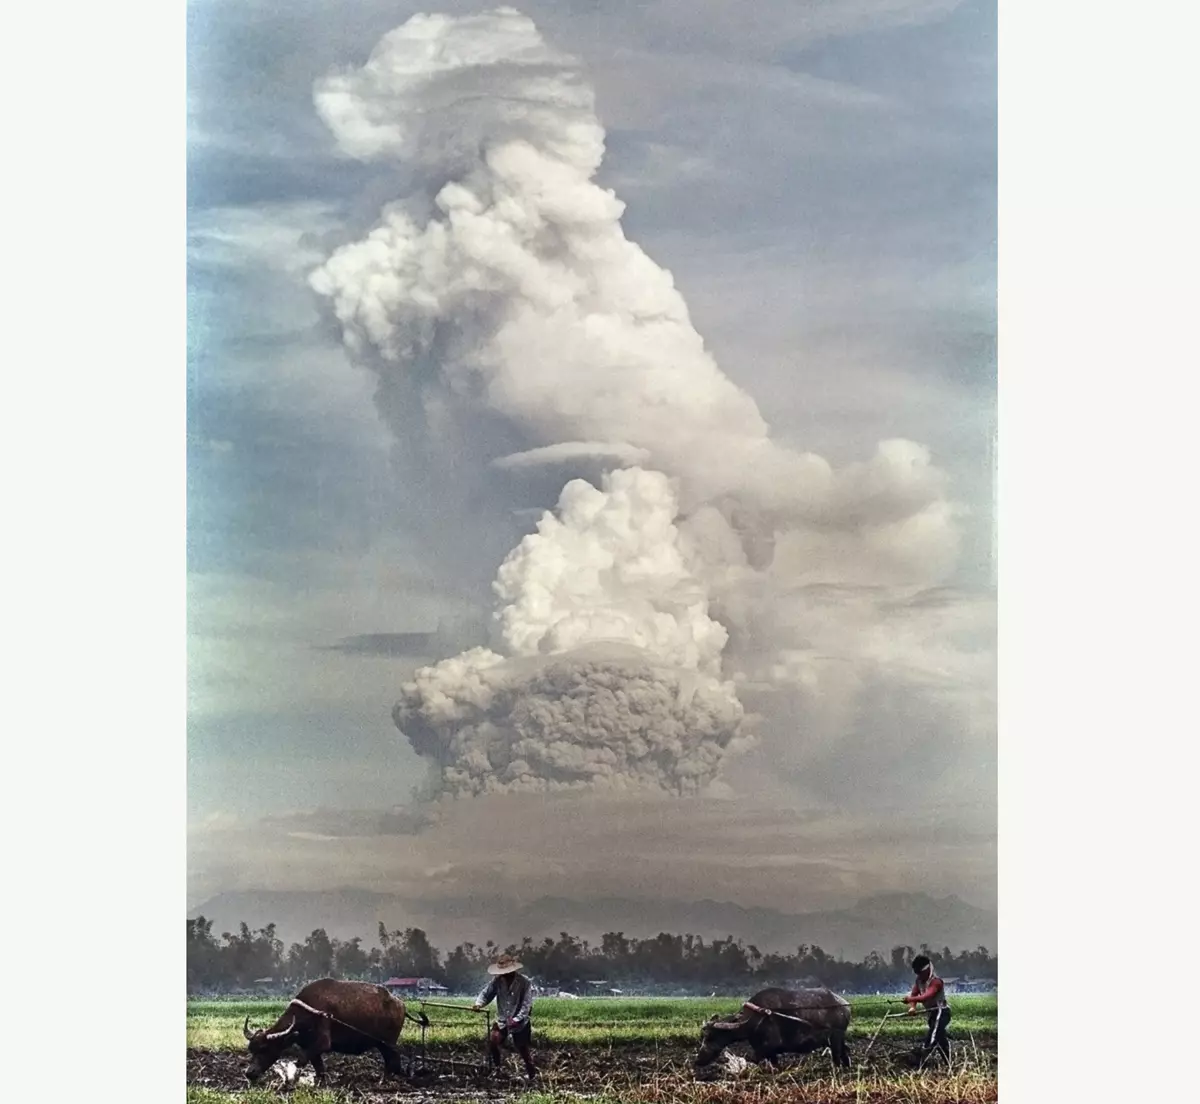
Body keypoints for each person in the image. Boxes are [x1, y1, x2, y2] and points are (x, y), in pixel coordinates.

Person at [472, 953, 537, 1080]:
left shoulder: (525, 983)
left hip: (520, 1021)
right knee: (493, 1041)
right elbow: (486, 994)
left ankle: (531, 1074)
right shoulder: (497, 981)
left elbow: (526, 1005)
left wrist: (516, 1019)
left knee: (523, 1049)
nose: (504, 975)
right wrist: (479, 1004)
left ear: (512, 970)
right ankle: (498, 1069)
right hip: (503, 1019)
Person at [904, 954, 951, 1066]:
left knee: (932, 1035)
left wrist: (910, 999)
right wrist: (912, 1007)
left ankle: (921, 1061)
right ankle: (948, 1063)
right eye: (917, 973)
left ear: (928, 969)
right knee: (940, 1038)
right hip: (932, 1013)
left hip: (941, 1012)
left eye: (920, 973)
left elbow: (926, 996)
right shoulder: (919, 981)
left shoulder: (936, 982)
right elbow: (915, 993)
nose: (919, 975)